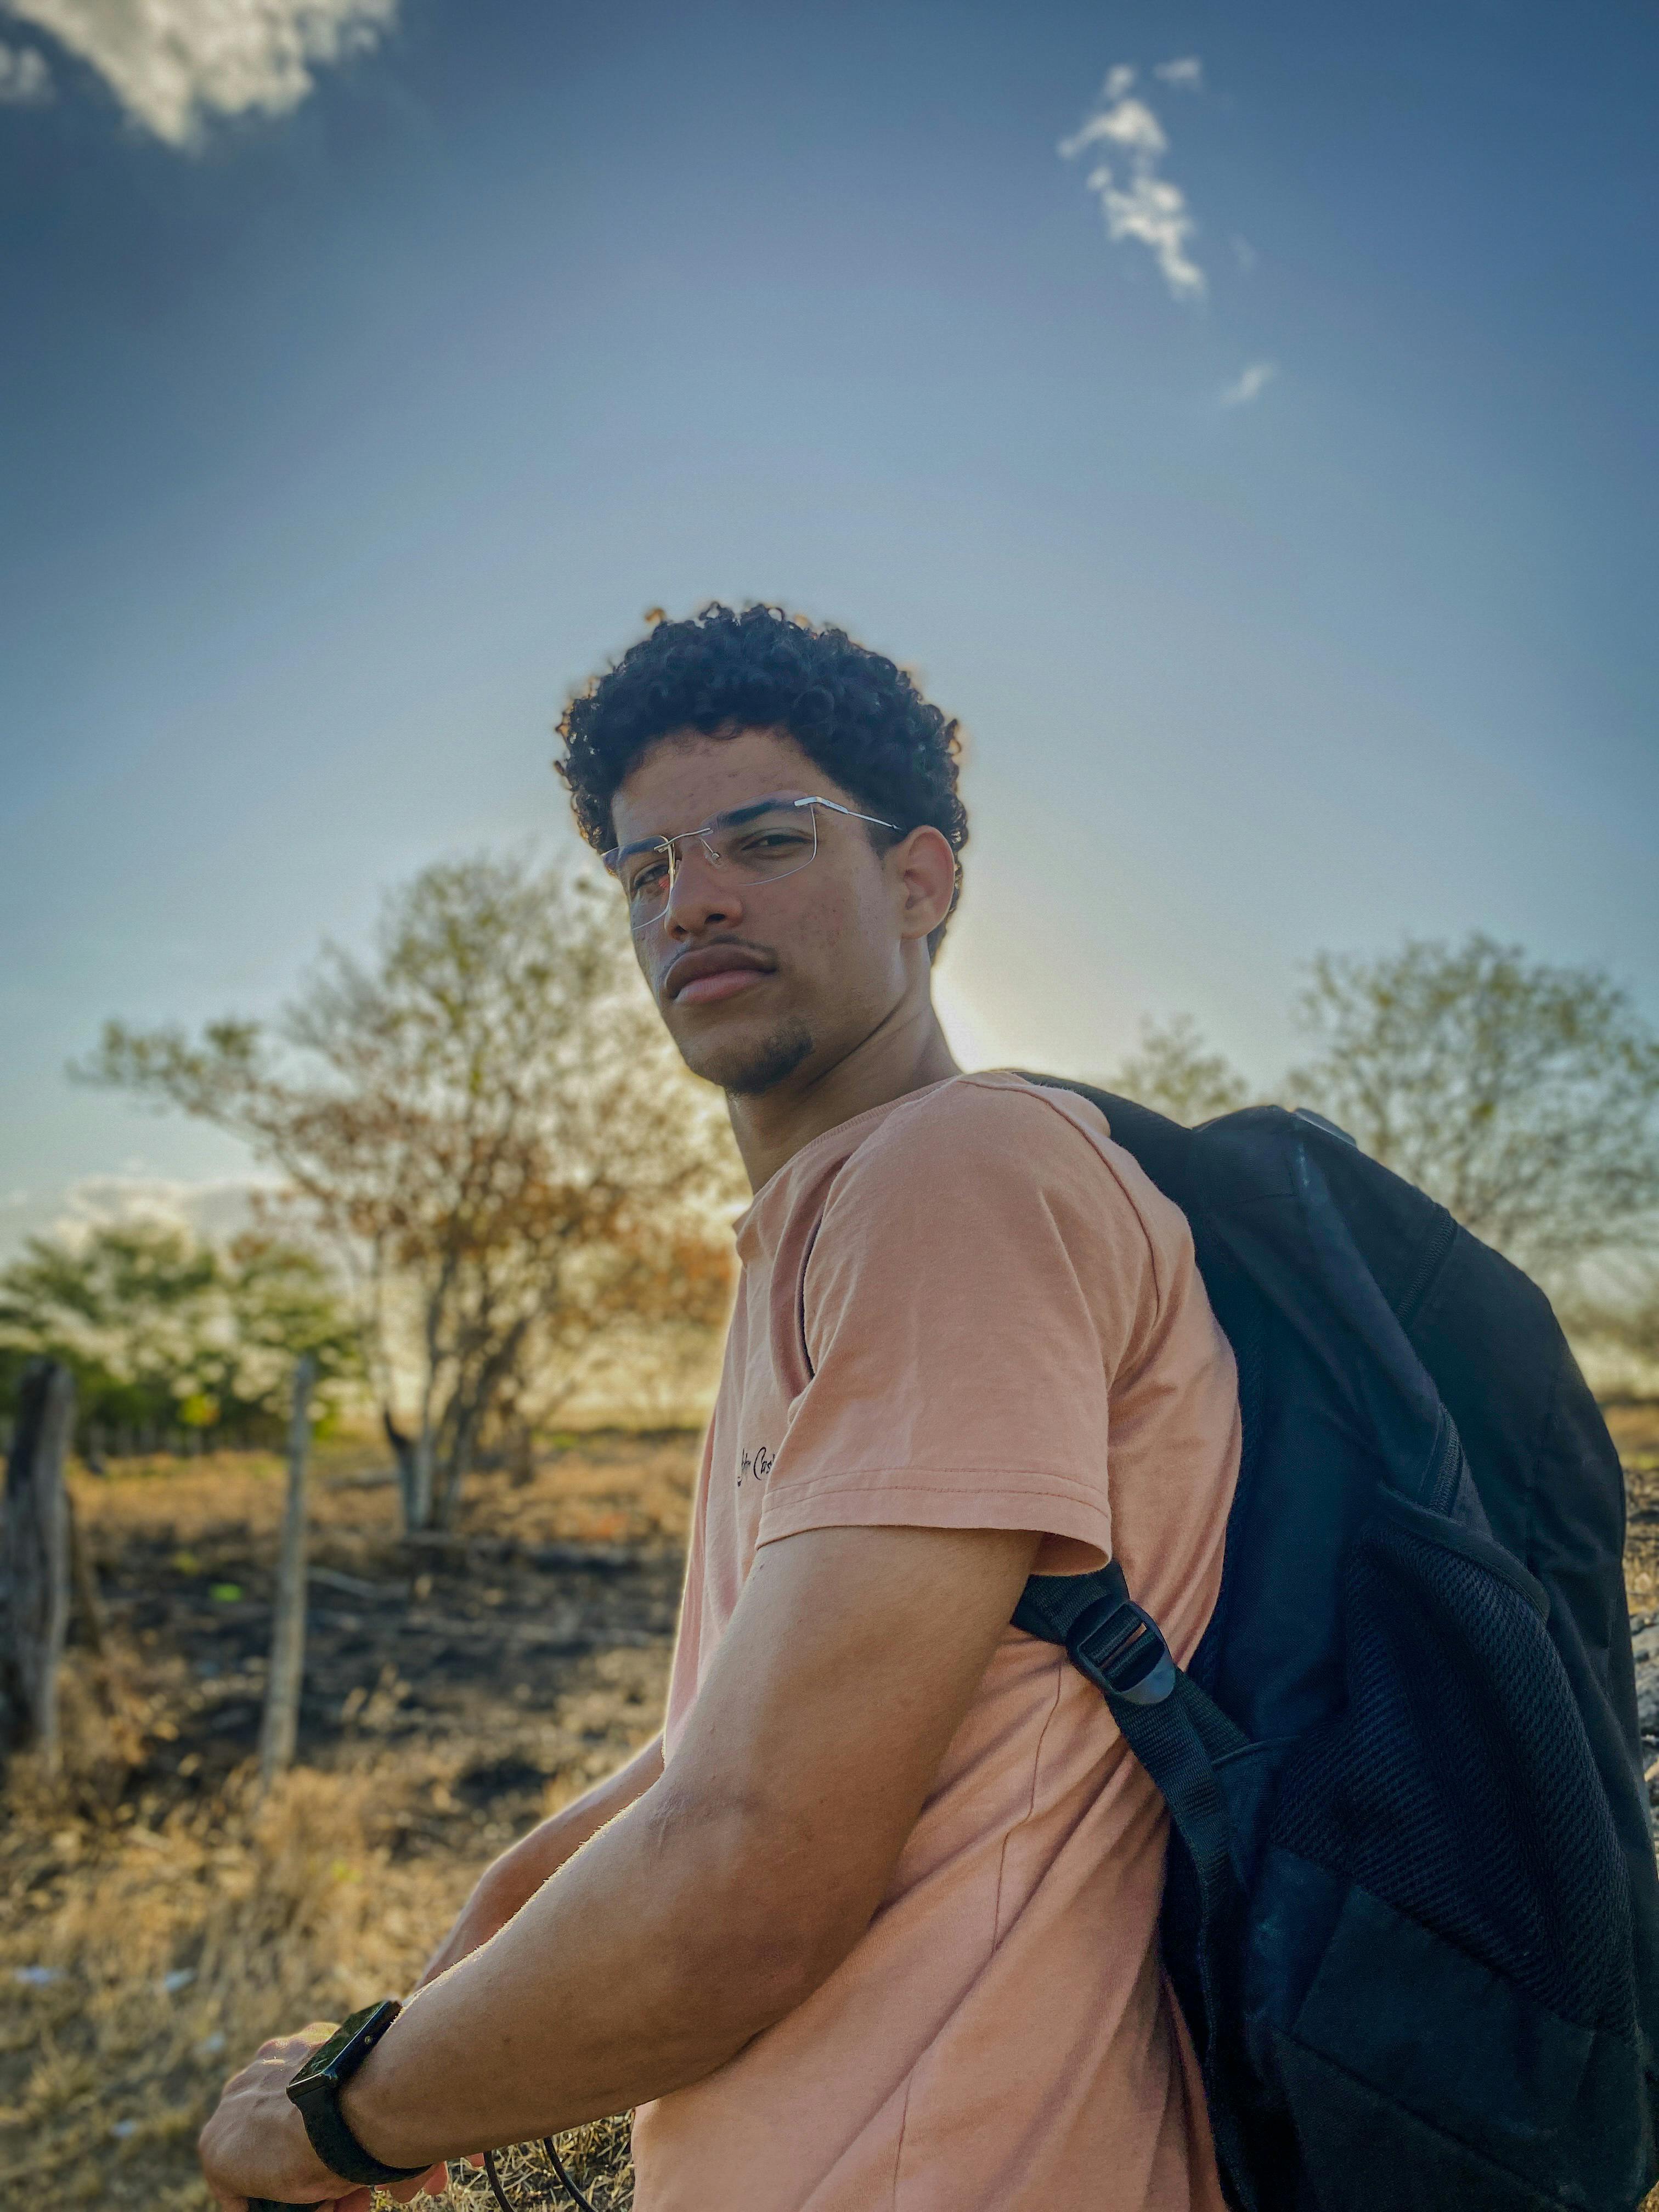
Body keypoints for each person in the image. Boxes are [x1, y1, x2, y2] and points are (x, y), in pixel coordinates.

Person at [200, 603, 1242, 2212]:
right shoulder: (827, 1225)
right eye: (646, 871)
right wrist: (484, 1935)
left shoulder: (955, 1181)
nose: (691, 901)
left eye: (766, 838)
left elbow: (748, 1886)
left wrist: (334, 2122)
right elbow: (740, 1743)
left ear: (922, 880)